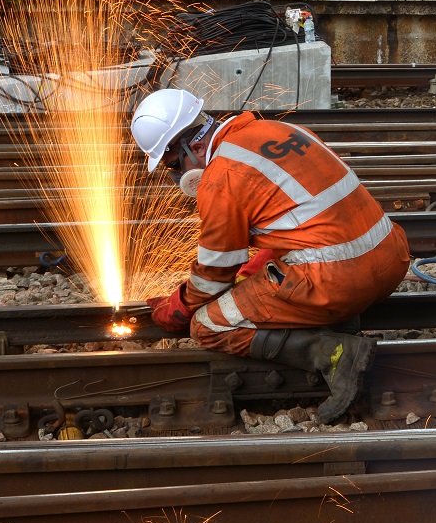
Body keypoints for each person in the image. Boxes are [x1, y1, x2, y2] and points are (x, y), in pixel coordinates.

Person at [130, 88, 411, 422]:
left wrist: (180, 306)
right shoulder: (280, 130)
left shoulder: (221, 177)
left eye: (174, 163)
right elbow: (304, 219)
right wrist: (255, 270)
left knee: (206, 325)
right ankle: (338, 319)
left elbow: (214, 275)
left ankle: (333, 353)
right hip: (392, 259)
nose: (177, 174)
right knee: (263, 281)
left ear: (195, 145)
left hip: (339, 282)